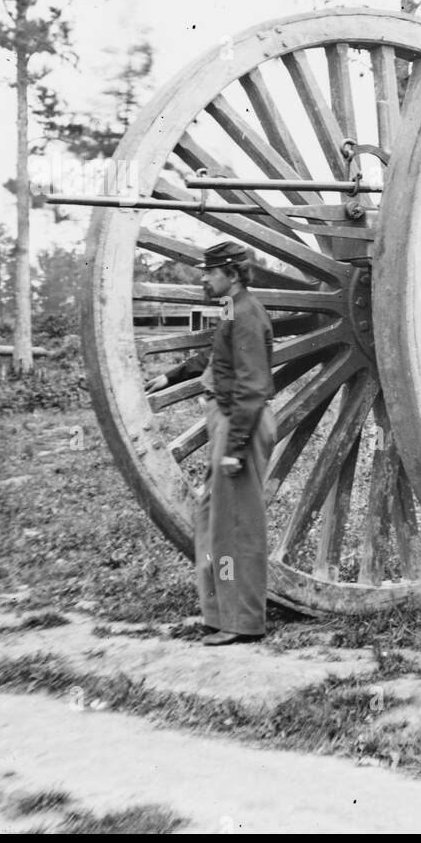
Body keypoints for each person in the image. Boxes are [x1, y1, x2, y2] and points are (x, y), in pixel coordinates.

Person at [144, 240, 275, 646]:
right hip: (230, 420)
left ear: (232, 274)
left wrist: (234, 450)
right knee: (214, 522)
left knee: (238, 527)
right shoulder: (235, 310)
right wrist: (173, 375)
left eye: (210, 271)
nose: (203, 278)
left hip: (242, 423)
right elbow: (218, 357)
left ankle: (244, 622)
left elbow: (252, 386)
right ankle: (220, 613)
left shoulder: (248, 314)